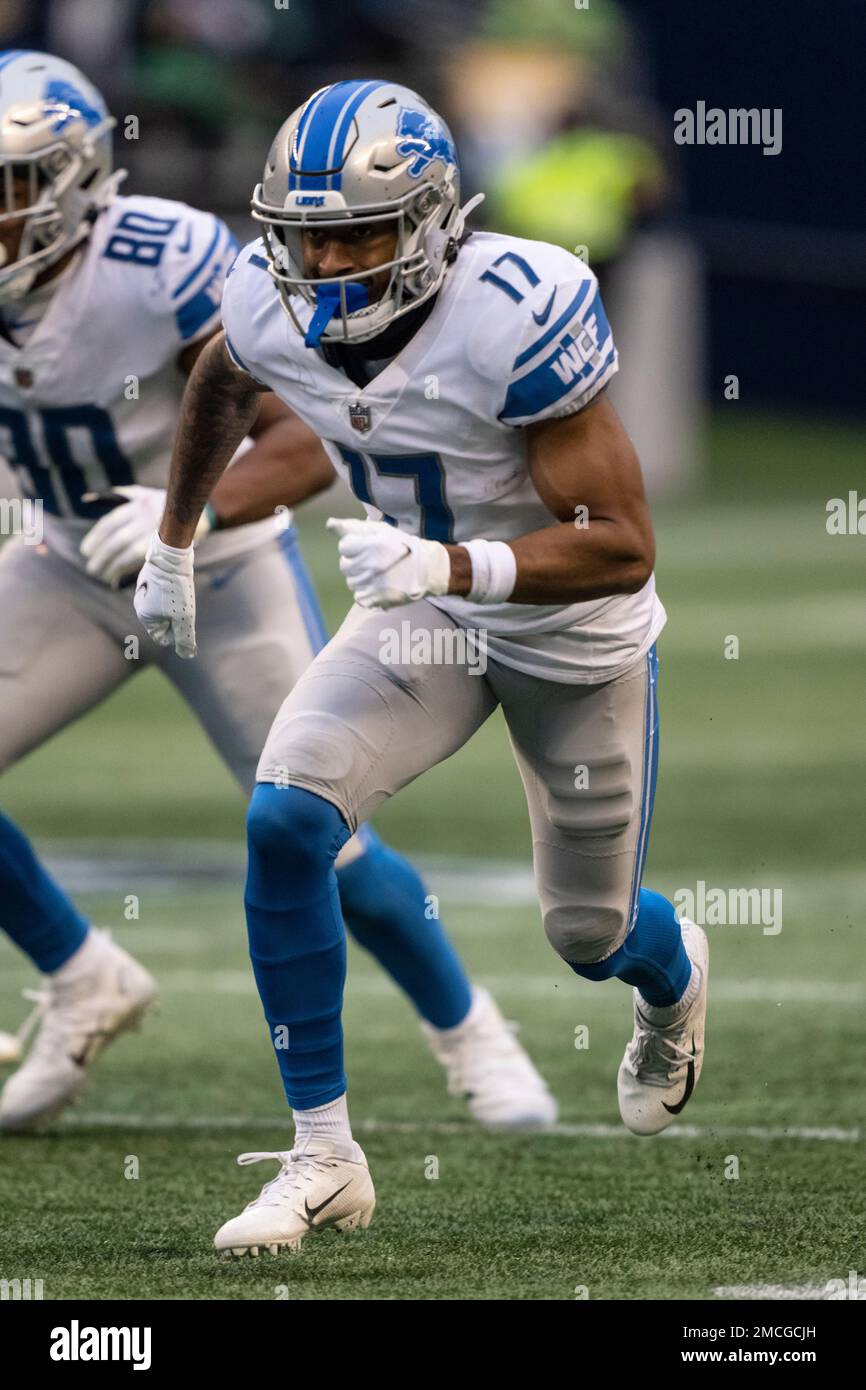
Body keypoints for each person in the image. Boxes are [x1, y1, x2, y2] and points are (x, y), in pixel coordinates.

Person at [135, 78, 709, 1258]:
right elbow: (223, 379)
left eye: (361, 229)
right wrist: (174, 539)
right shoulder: (264, 293)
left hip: (563, 630)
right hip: (418, 607)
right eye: (308, 235)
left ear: (436, 218)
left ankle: (671, 978)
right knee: (287, 820)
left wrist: (451, 565)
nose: (331, 261)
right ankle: (322, 1155)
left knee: (587, 935)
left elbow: (620, 542)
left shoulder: (517, 305)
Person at [0, 53, 556, 1134]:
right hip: (68, 561)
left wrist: (189, 513)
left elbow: (302, 439)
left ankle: (471, 1032)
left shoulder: (166, 262)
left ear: (68, 182)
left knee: (318, 830)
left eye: (7, 185)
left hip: (218, 566)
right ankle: (81, 975)